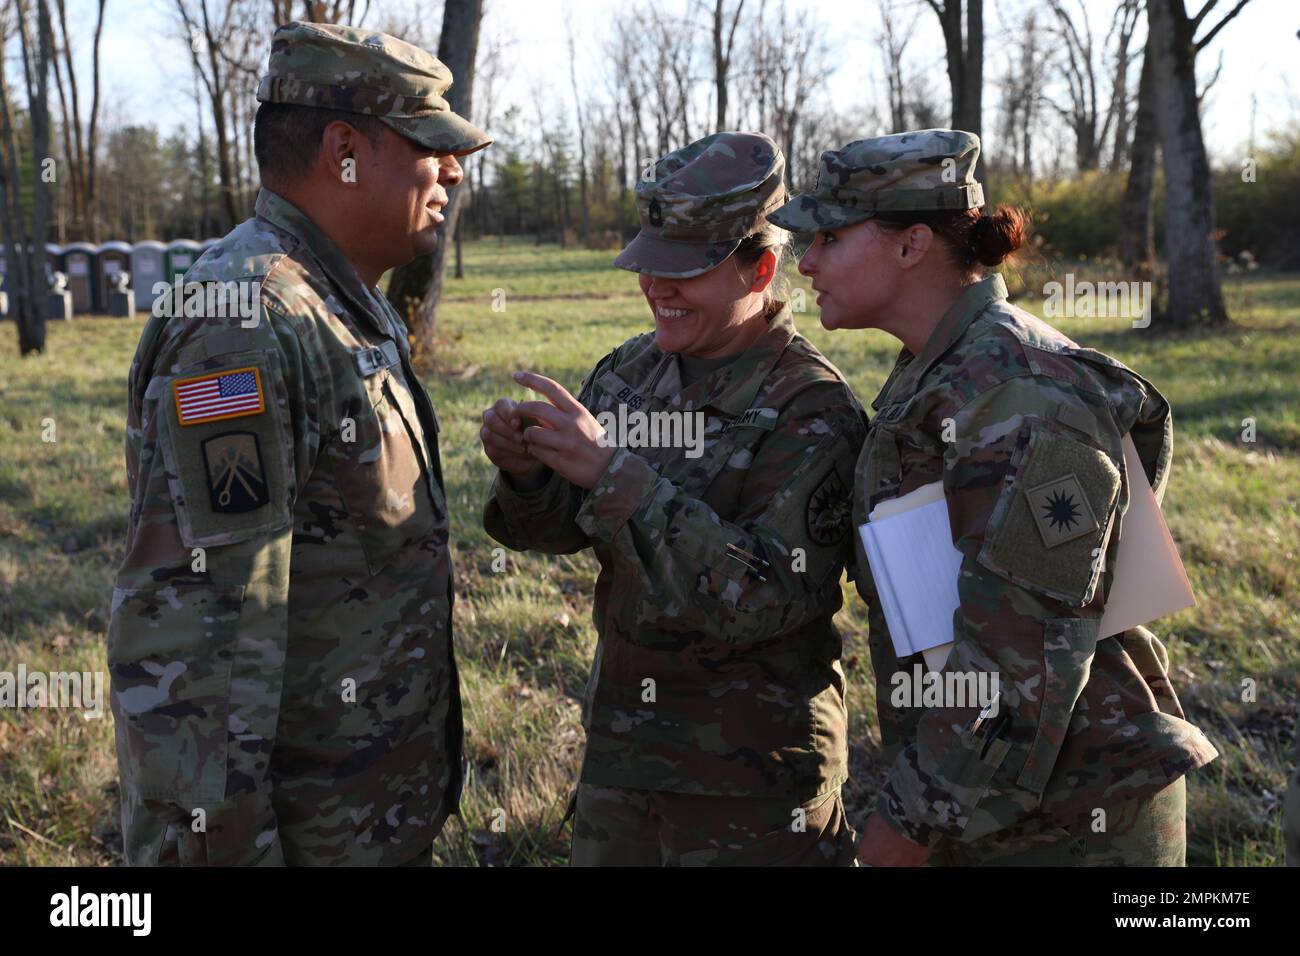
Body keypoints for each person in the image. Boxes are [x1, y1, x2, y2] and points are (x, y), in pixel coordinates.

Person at [769, 128, 1219, 866]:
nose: (807, 260)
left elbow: (1018, 654)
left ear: (911, 244)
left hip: (1072, 814)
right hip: (992, 793)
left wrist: (907, 824)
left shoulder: (1021, 392)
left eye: (830, 236)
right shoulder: (941, 371)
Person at [107, 21, 491, 866]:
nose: (453, 170)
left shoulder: (340, 298)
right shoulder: (246, 324)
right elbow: (198, 651)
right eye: (429, 144)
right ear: (344, 151)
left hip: (366, 820)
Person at [481, 131, 867, 866]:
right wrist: (528, 472)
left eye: (682, 272)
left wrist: (615, 477)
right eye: (647, 267)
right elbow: (562, 527)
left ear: (761, 268)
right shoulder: (630, 370)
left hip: (752, 778)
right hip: (624, 751)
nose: (656, 288)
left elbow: (766, 595)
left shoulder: (811, 410)